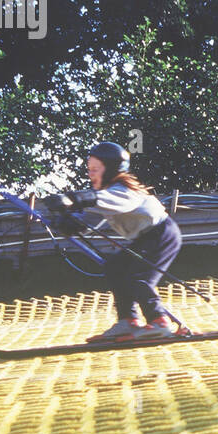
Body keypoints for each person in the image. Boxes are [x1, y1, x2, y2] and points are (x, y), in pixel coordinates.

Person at [44, 142, 184, 342]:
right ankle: (128, 321)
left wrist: (72, 198)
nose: (90, 175)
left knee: (139, 276)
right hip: (144, 238)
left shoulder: (123, 191)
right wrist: (67, 222)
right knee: (115, 266)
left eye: (95, 170)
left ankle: (159, 320)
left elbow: (106, 201)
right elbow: (89, 218)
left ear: (110, 170)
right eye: (89, 170)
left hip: (162, 234)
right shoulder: (104, 194)